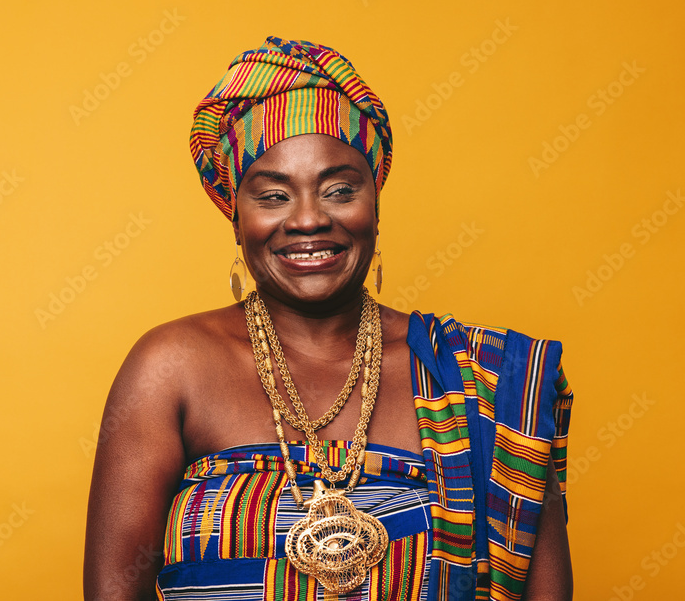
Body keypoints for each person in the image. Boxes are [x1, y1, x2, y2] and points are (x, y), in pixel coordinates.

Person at [84, 37, 573, 601]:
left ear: (375, 203)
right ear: (236, 215)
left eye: (339, 190)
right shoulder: (170, 370)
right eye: (273, 197)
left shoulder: (486, 380)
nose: (310, 219)